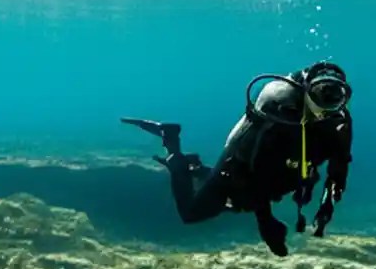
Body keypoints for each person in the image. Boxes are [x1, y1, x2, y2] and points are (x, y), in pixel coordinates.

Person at [121, 61, 353, 257]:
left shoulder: (339, 120)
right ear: (306, 89)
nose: (326, 104)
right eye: (321, 93)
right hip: (240, 164)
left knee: (243, 202)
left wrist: (327, 203)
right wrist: (265, 221)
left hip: (278, 174)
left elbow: (339, 165)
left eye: (336, 97)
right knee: (191, 213)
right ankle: (174, 152)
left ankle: (197, 169)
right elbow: (258, 167)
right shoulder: (280, 108)